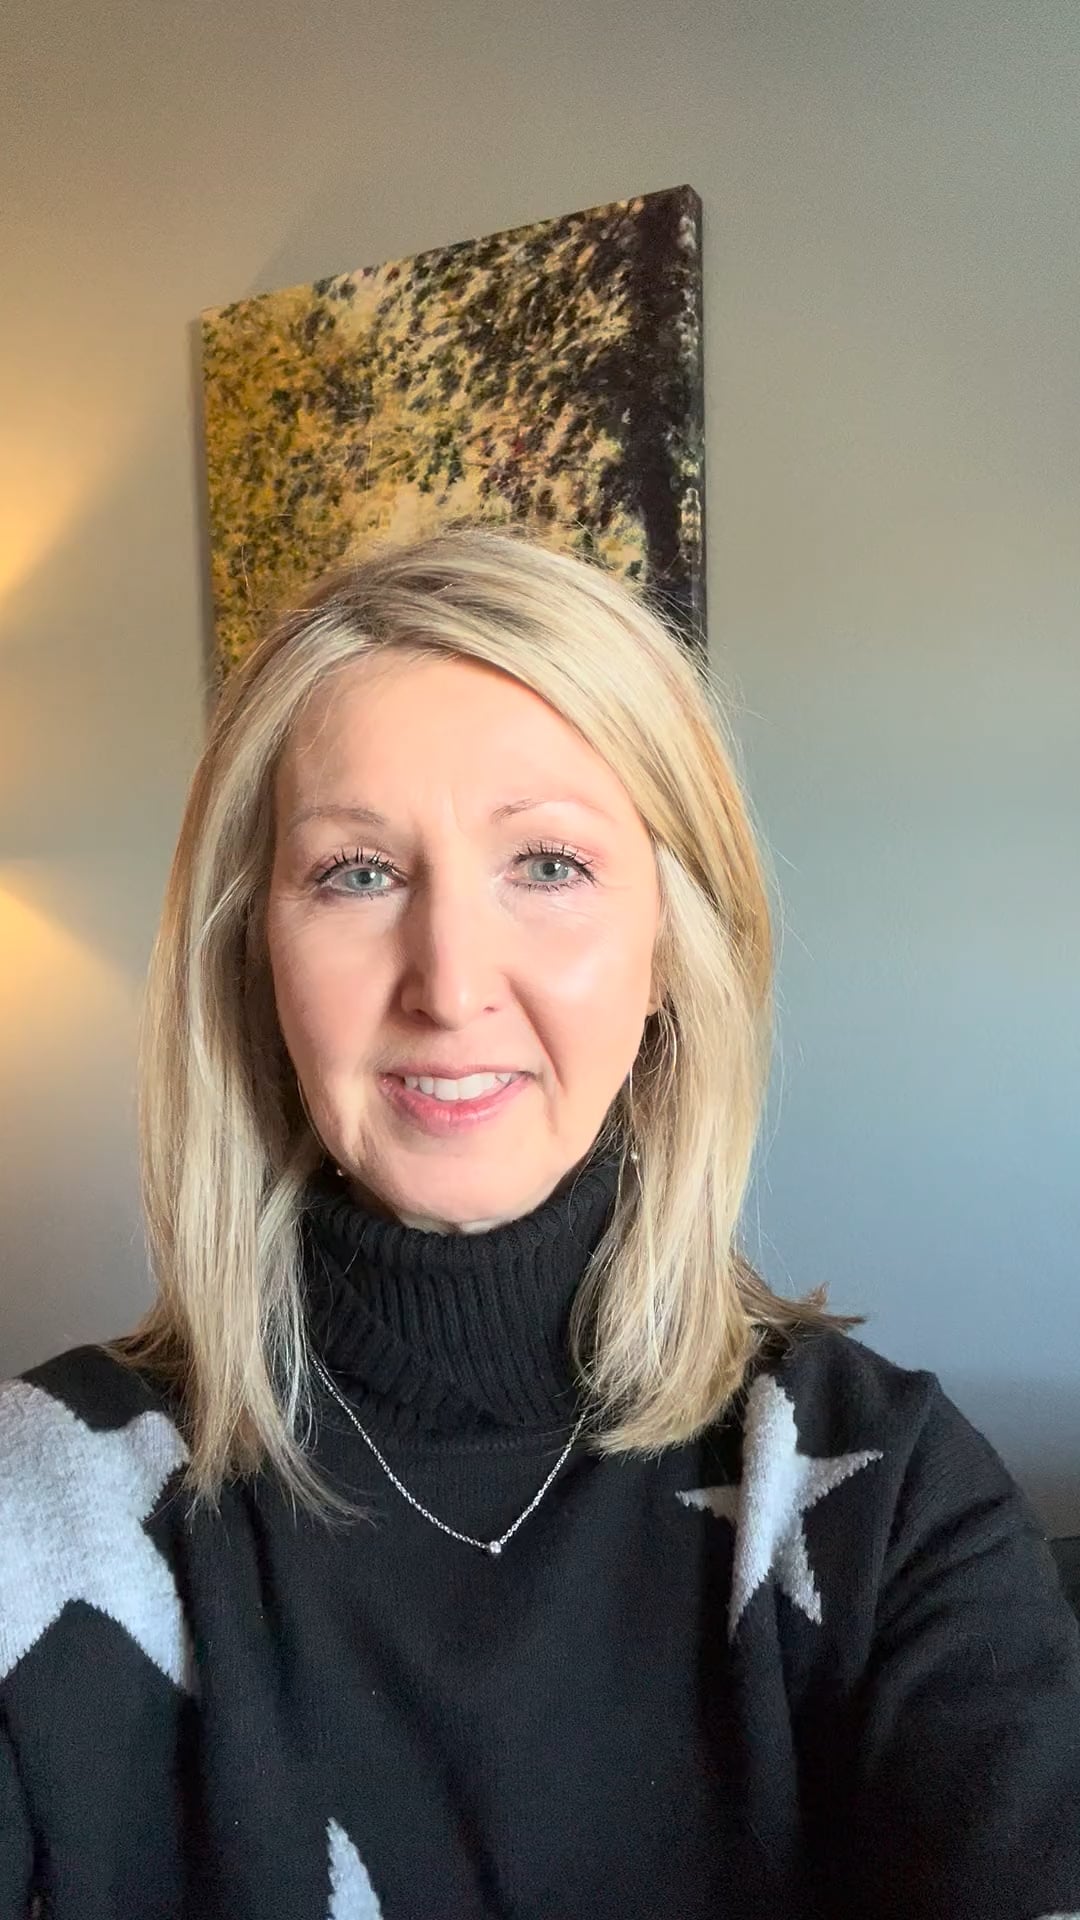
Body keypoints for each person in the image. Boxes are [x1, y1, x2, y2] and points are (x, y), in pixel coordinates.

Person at [1, 525, 1077, 1920]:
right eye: (358, 873)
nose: (450, 984)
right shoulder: (47, 1507)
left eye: (550, 865)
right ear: (255, 955)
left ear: (668, 948)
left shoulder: (883, 1496)